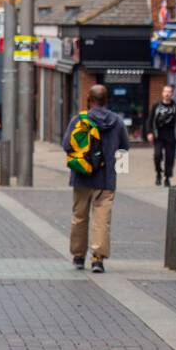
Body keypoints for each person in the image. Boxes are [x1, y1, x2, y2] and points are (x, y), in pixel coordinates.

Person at [61, 84, 129, 274]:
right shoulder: (117, 121)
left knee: (79, 217)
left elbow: (67, 144)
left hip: (82, 177)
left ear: (89, 100)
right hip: (106, 180)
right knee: (102, 219)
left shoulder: (79, 120)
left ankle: (78, 256)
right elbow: (124, 147)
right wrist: (119, 172)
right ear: (106, 100)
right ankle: (97, 259)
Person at [146, 84, 176, 187]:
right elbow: (150, 120)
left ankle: (167, 177)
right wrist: (149, 132)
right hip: (158, 135)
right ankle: (158, 173)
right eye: (165, 91)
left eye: (169, 92)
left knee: (170, 158)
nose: (167, 94)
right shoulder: (156, 106)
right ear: (162, 93)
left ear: (172, 94)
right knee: (157, 155)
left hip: (171, 135)